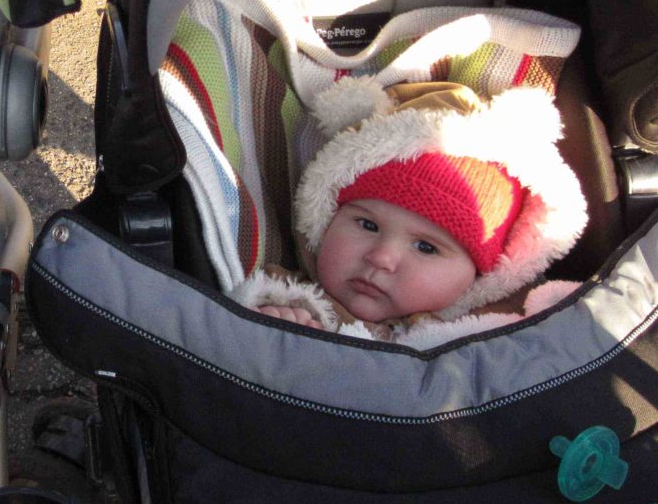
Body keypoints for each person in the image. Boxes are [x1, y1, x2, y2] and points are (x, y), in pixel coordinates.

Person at [232, 79, 588, 348]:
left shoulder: (508, 328)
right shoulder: (294, 299)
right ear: (324, 221)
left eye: (426, 247)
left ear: (482, 278)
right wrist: (273, 325)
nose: (382, 257)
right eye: (367, 224)